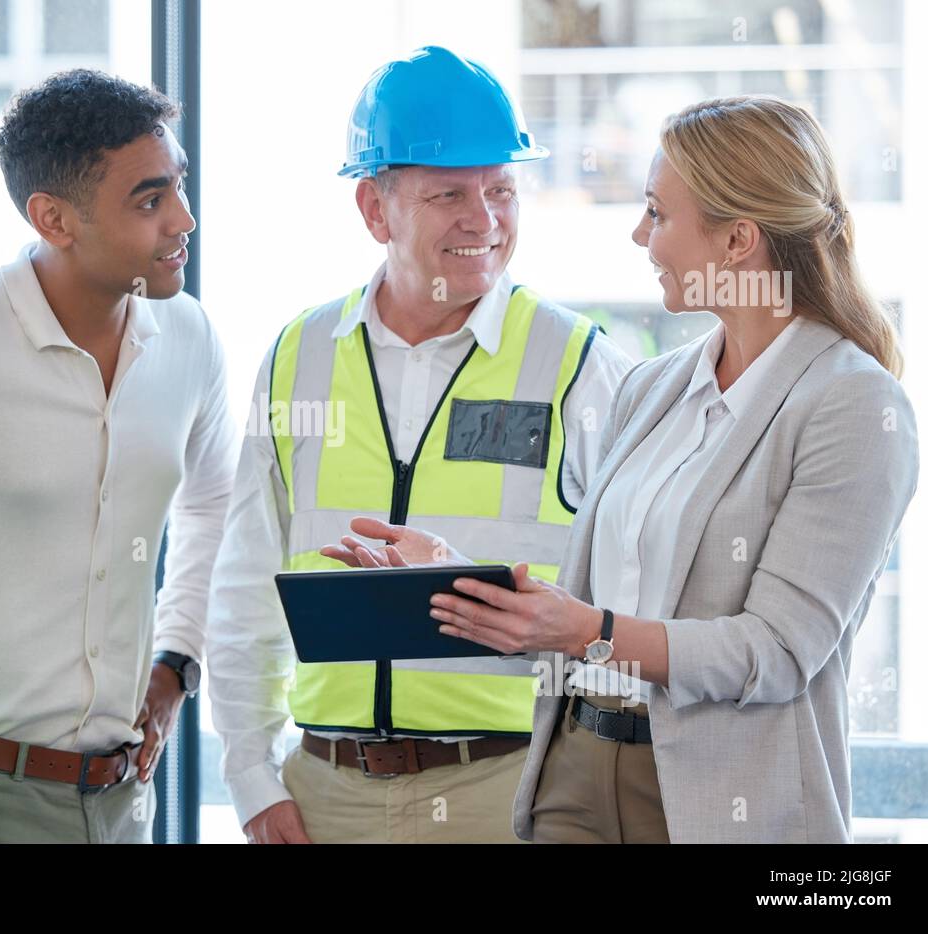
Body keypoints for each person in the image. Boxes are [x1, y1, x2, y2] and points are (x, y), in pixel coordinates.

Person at [335, 96, 919, 844]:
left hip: (716, 801)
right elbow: (588, 608)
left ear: (738, 239)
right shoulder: (653, 388)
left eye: (658, 213)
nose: (640, 235)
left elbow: (775, 653)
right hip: (575, 771)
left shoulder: (852, 406)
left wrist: (590, 633)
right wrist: (460, 579)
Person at [206, 46, 632, 844]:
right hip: (322, 792)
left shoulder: (578, 364)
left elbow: (632, 599)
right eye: (449, 194)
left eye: (501, 188)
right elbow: (242, 588)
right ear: (374, 209)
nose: (486, 219)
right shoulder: (300, 357)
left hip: (508, 791)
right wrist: (252, 778)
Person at [0, 69, 236, 844]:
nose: (184, 220)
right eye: (149, 200)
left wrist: (176, 664)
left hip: (126, 794)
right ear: (54, 219)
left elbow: (209, 501)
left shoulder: (191, 338)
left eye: (180, 188)